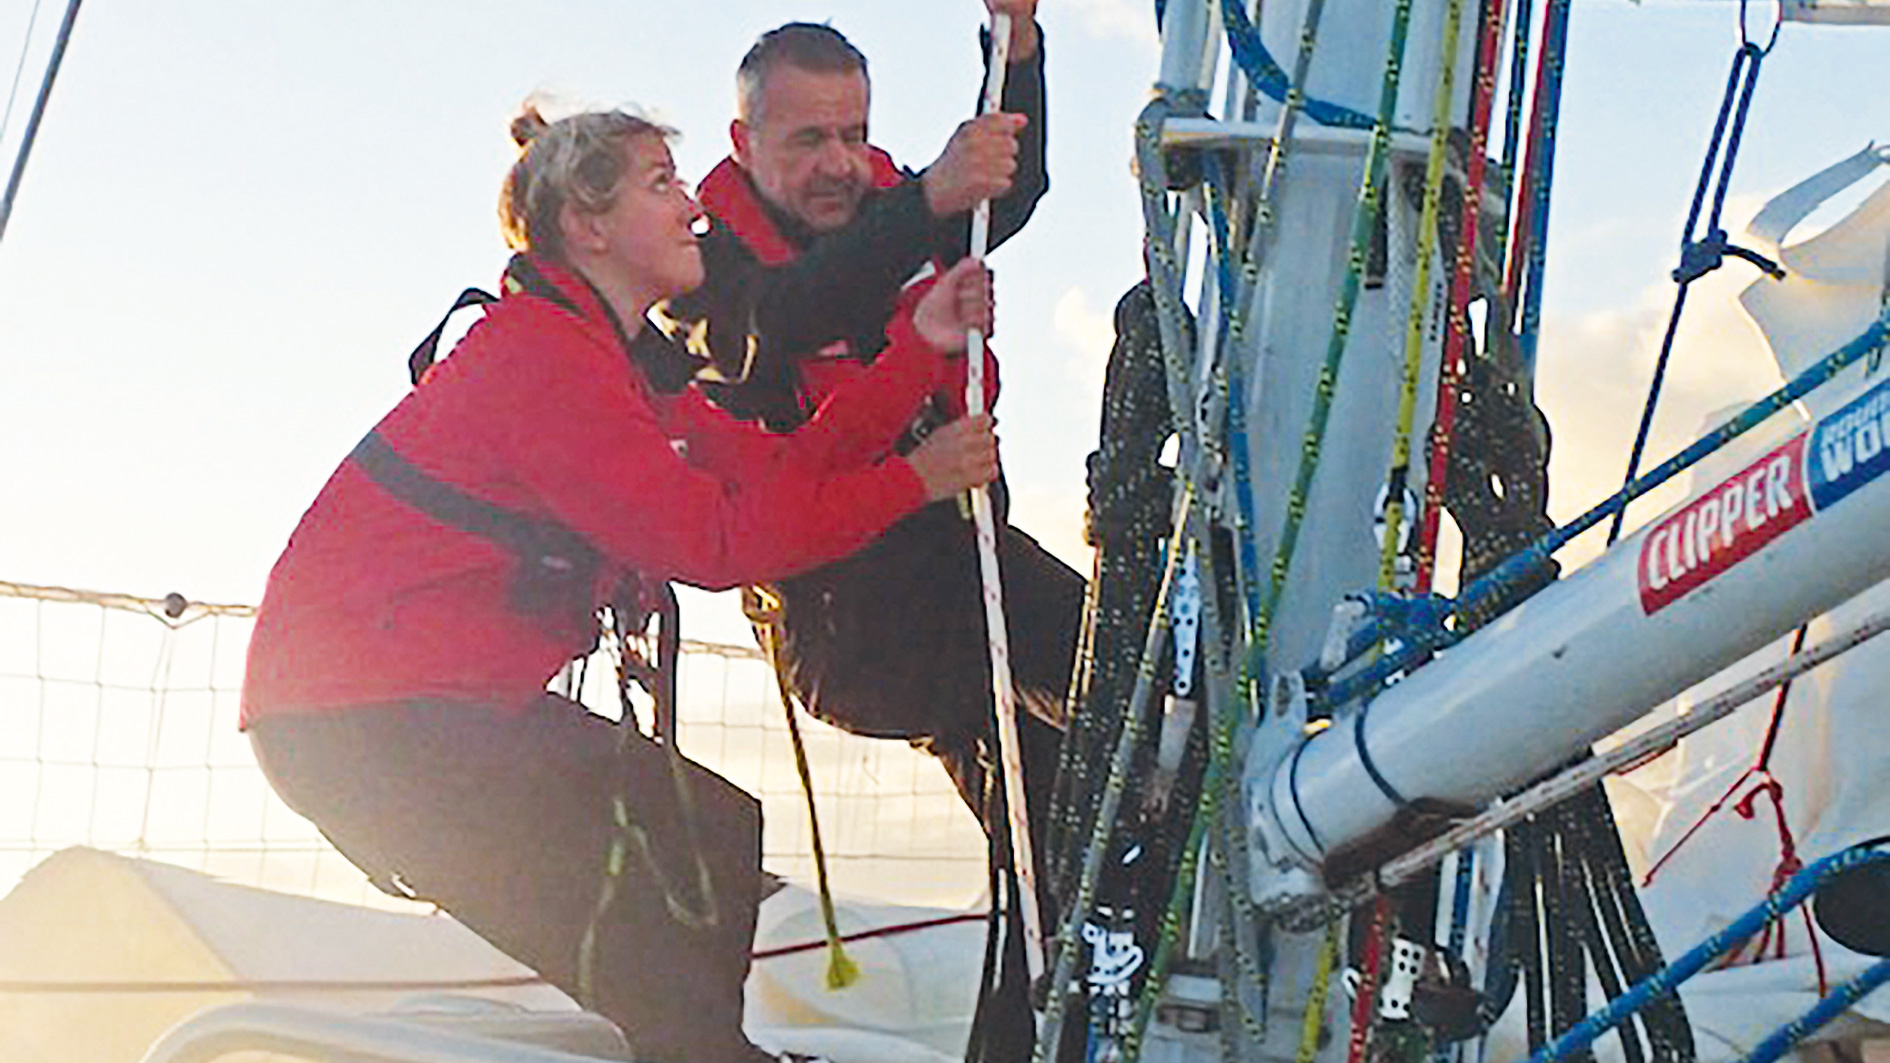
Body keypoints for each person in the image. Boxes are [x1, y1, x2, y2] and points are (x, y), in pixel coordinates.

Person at [241, 104, 1001, 1063]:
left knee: (715, 835)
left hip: (408, 711)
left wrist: (914, 352)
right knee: (674, 914)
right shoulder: (541, 361)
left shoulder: (616, 368)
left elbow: (777, 472)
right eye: (662, 184)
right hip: (361, 721)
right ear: (587, 226)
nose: (695, 210)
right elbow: (716, 542)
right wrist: (912, 482)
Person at [666, 2, 1082, 908]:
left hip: (967, 563)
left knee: (1109, 711)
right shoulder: (700, 271)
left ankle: (1061, 973)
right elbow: (778, 320)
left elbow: (1005, 191)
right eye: (808, 139)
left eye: (854, 135)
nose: (839, 165)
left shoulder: (889, 210)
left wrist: (1016, 45)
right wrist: (927, 199)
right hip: (852, 620)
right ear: (744, 141)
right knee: (1071, 780)